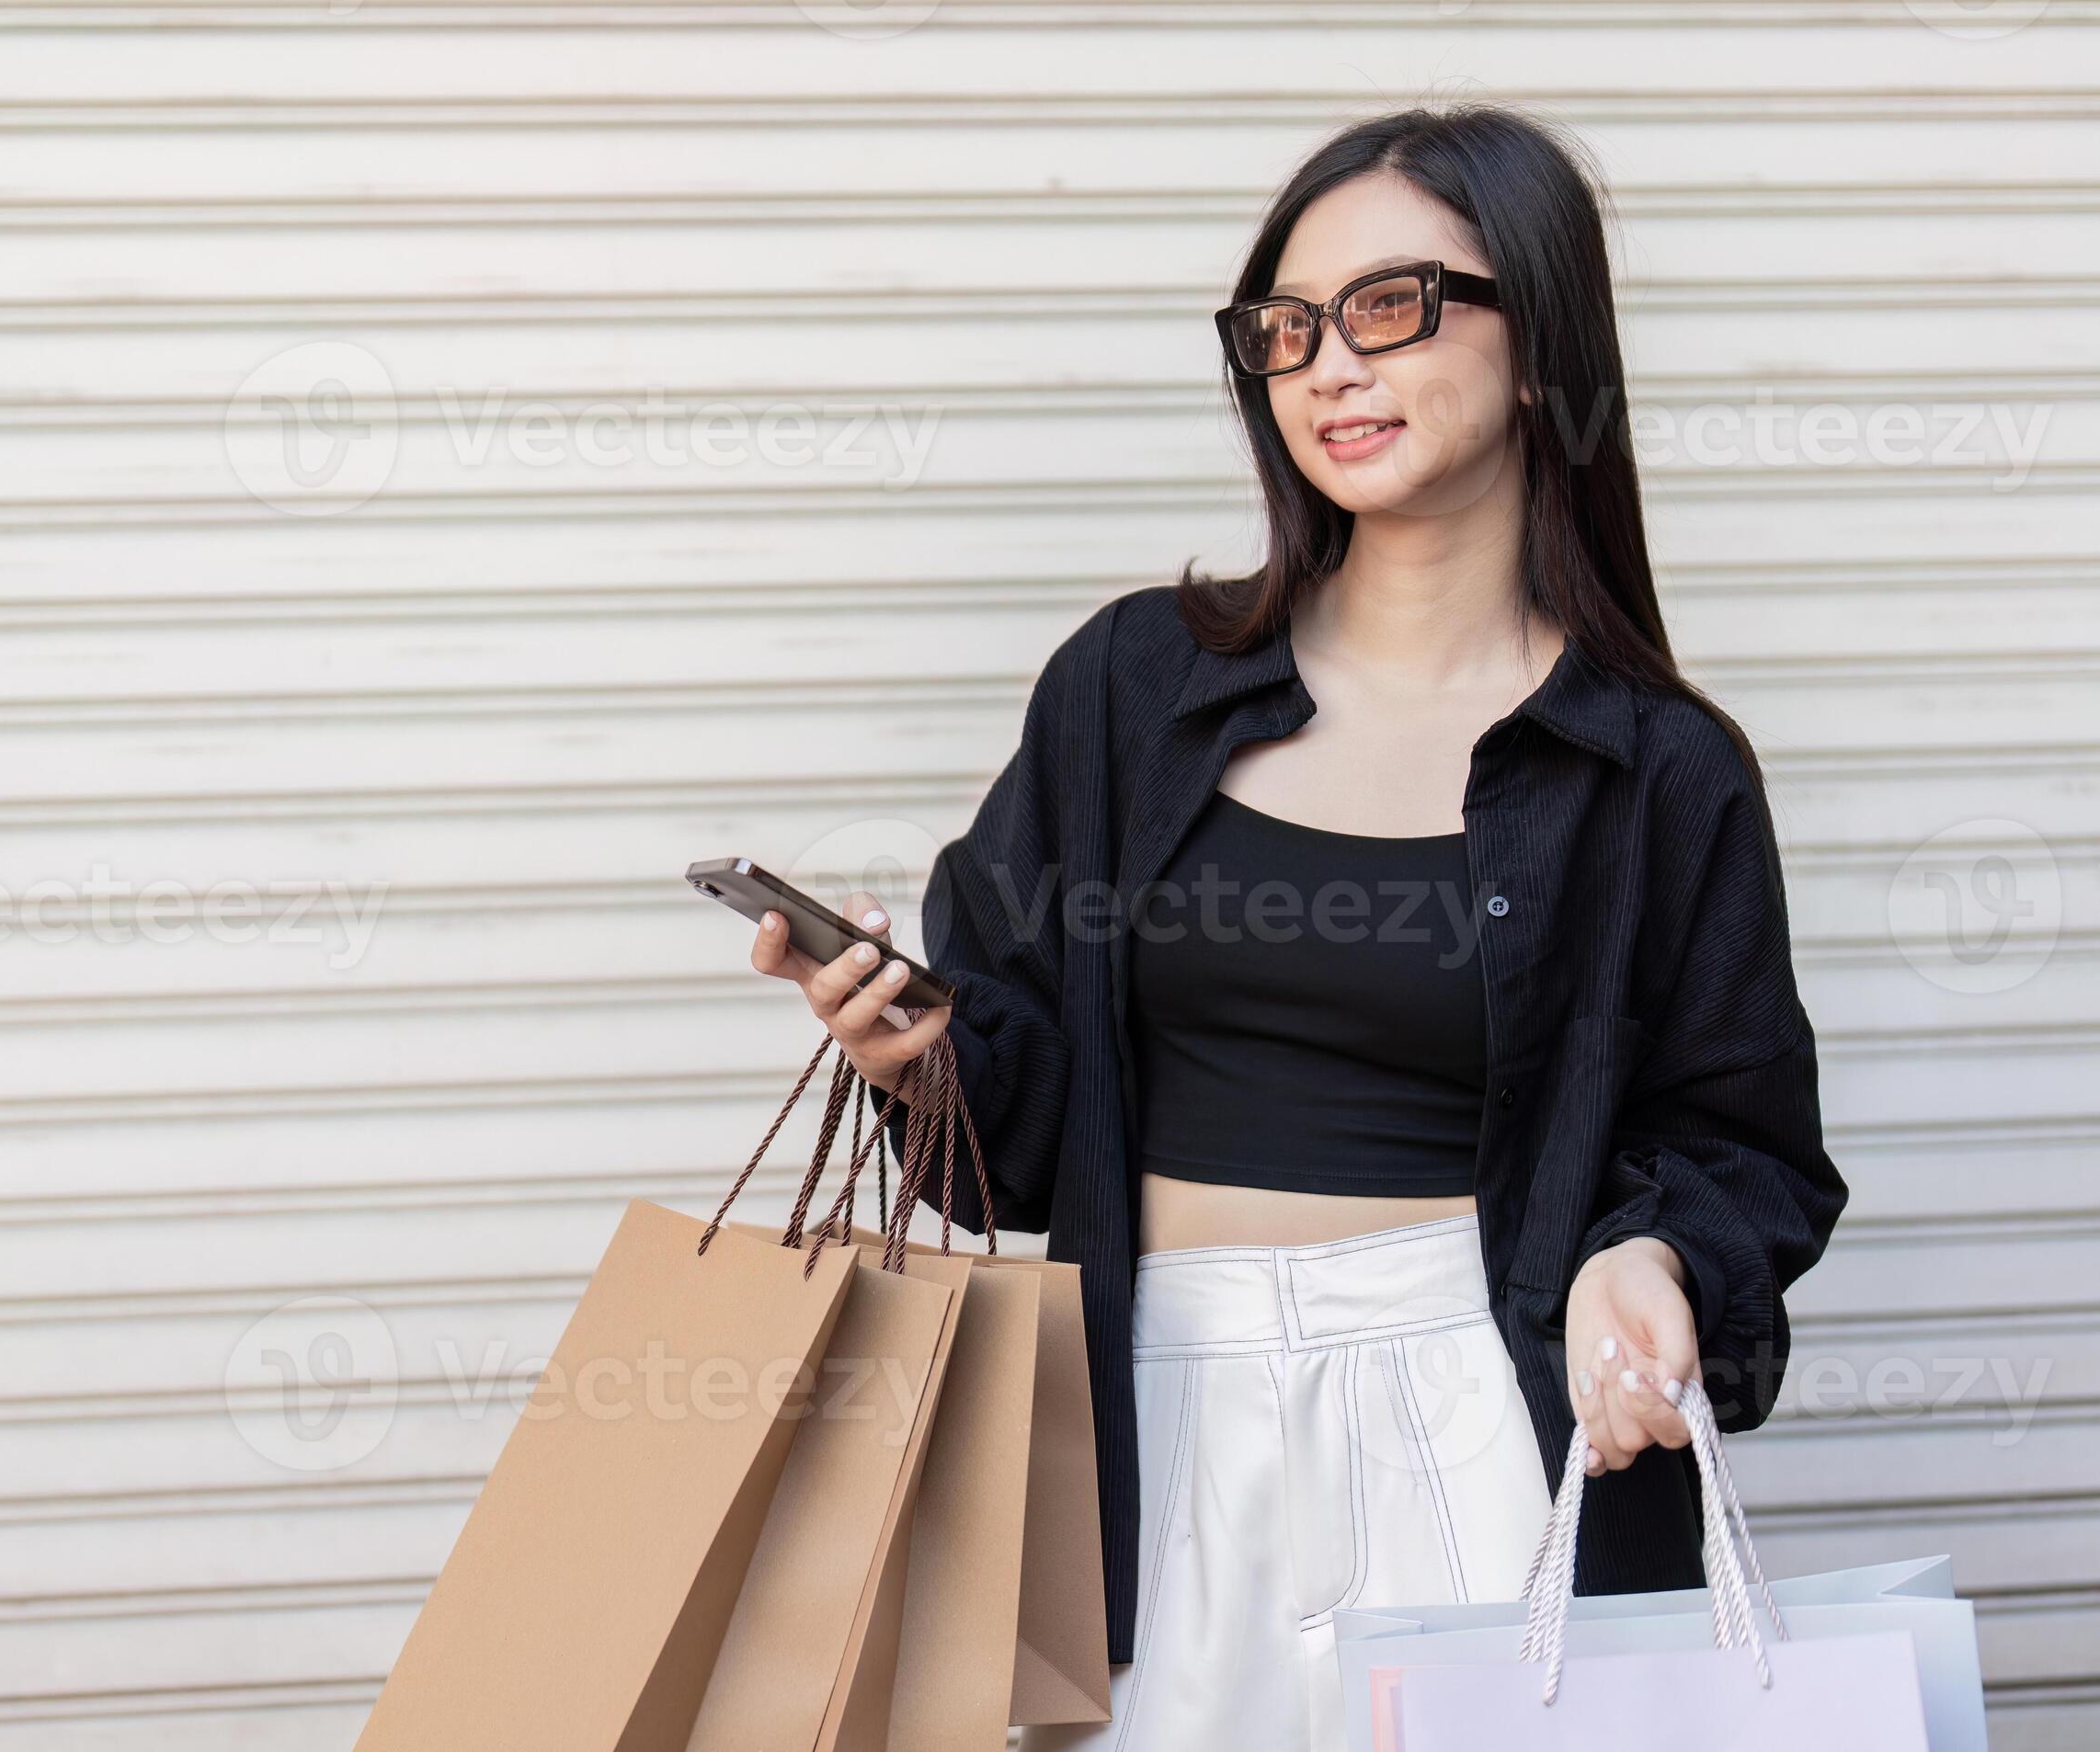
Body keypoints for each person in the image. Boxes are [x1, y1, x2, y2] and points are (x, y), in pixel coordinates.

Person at [741, 104, 1845, 1750]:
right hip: (1150, 1419)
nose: (1328, 365)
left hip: (1489, 1410)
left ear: (1539, 344)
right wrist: (917, 1055)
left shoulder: (1654, 769)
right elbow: (1025, 1132)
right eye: (1286, 326)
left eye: (1392, 307)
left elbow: (1745, 1146)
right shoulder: (1132, 687)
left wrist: (1652, 1252)